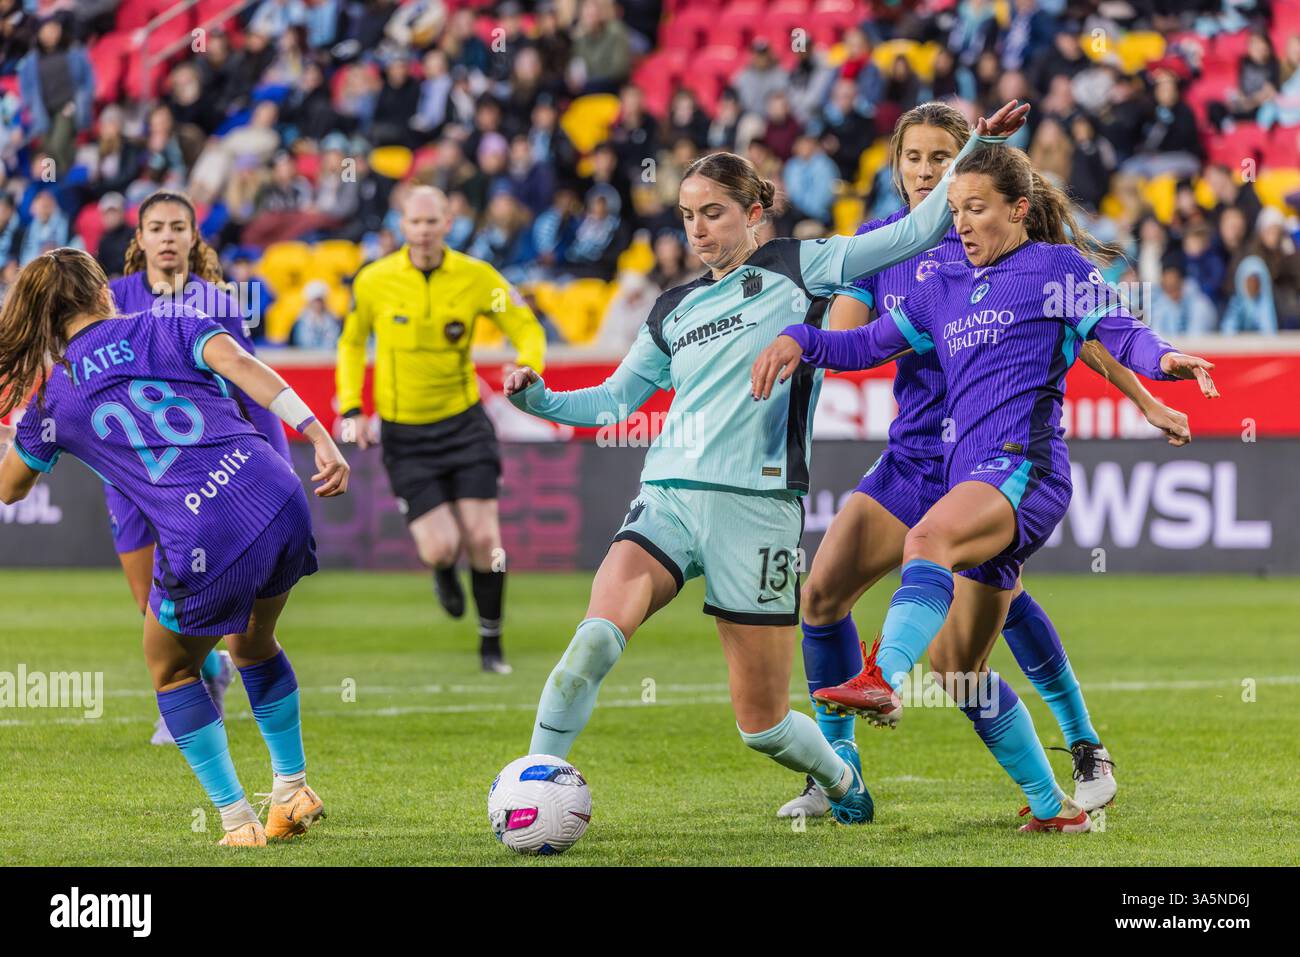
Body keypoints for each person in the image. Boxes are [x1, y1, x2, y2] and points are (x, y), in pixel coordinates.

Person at [502, 100, 1032, 825]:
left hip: (758, 512)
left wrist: (970, 150)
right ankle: (534, 788)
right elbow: (610, 404)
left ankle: (841, 780)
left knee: (761, 724)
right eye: (687, 215)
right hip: (668, 498)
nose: (697, 228)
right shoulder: (671, 309)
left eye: (714, 212)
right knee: (591, 641)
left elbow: (916, 229)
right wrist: (538, 399)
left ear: (755, 213)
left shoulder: (803, 267)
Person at [753, 146, 1217, 832]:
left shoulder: (1054, 268)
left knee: (929, 536)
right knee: (960, 668)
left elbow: (1117, 330)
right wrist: (801, 338)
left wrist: (1164, 362)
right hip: (975, 475)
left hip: (1025, 469)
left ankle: (881, 676)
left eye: (976, 208)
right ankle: (1053, 807)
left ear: (1018, 209)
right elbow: (870, 343)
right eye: (956, 210)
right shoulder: (942, 287)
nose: (962, 224)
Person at [0, 247, 349, 846]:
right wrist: (318, 434)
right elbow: (242, 365)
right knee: (252, 640)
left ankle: (238, 821)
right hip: (276, 488)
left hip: (204, 530)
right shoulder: (168, 319)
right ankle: (291, 790)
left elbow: (10, 488)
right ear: (103, 292)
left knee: (169, 668)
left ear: (43, 317)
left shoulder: (54, 400)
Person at [110, 190, 296, 746]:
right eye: (156, 227)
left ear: (194, 237)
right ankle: (209, 669)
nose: (167, 237)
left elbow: (247, 384)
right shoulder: (112, 298)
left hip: (199, 475)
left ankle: (186, 696)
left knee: (190, 596)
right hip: (131, 474)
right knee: (149, 603)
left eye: (177, 227)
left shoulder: (217, 304)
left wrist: (277, 463)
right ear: (139, 238)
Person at [336, 186, 547, 673]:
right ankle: (442, 570)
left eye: (433, 222)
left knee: (485, 541)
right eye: (415, 222)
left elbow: (526, 326)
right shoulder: (374, 280)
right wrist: (351, 408)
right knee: (441, 546)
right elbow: (350, 344)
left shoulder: (477, 277)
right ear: (402, 225)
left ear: (447, 223)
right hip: (405, 434)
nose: (425, 230)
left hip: (464, 424)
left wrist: (528, 365)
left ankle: (491, 644)